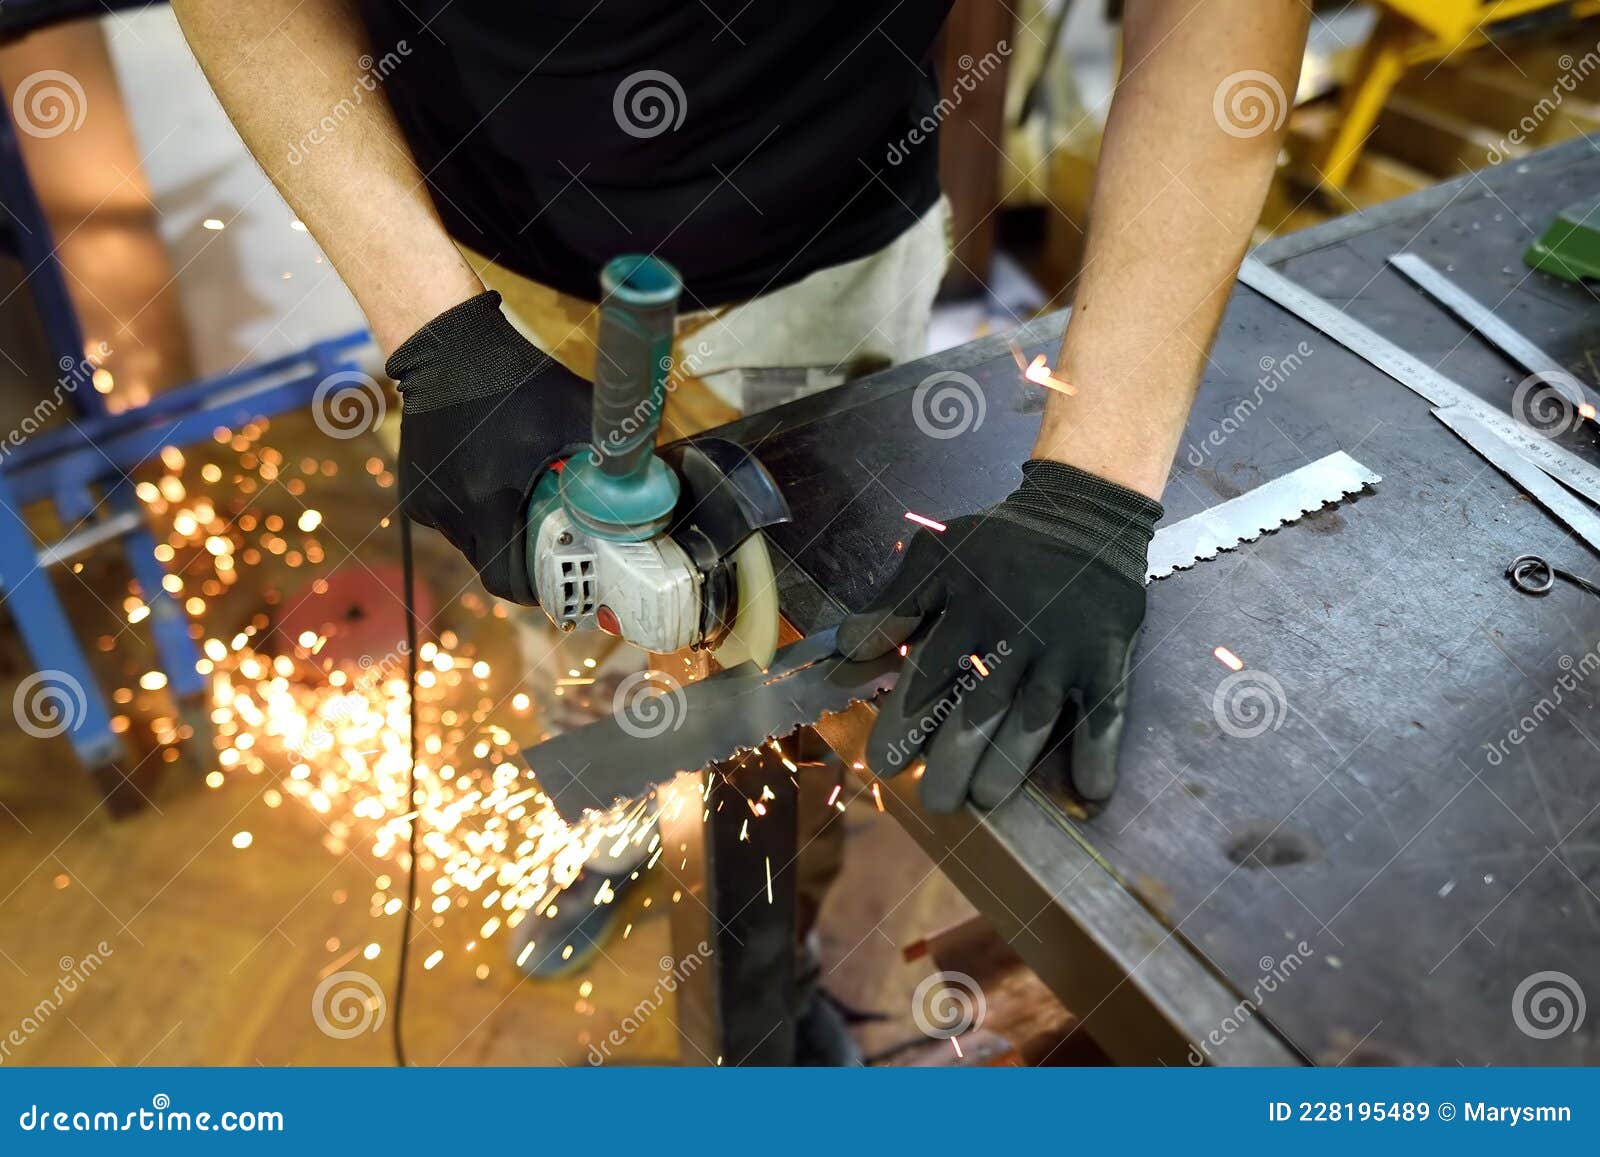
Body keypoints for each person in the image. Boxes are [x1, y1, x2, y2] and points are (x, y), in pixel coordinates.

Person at [173, 0, 1310, 1062]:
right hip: (468, 250)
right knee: (565, 610)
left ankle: (773, 946)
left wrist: (1090, 493)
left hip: (821, 247)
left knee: (800, 685)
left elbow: (1220, 26)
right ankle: (615, 831)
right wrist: (441, 341)